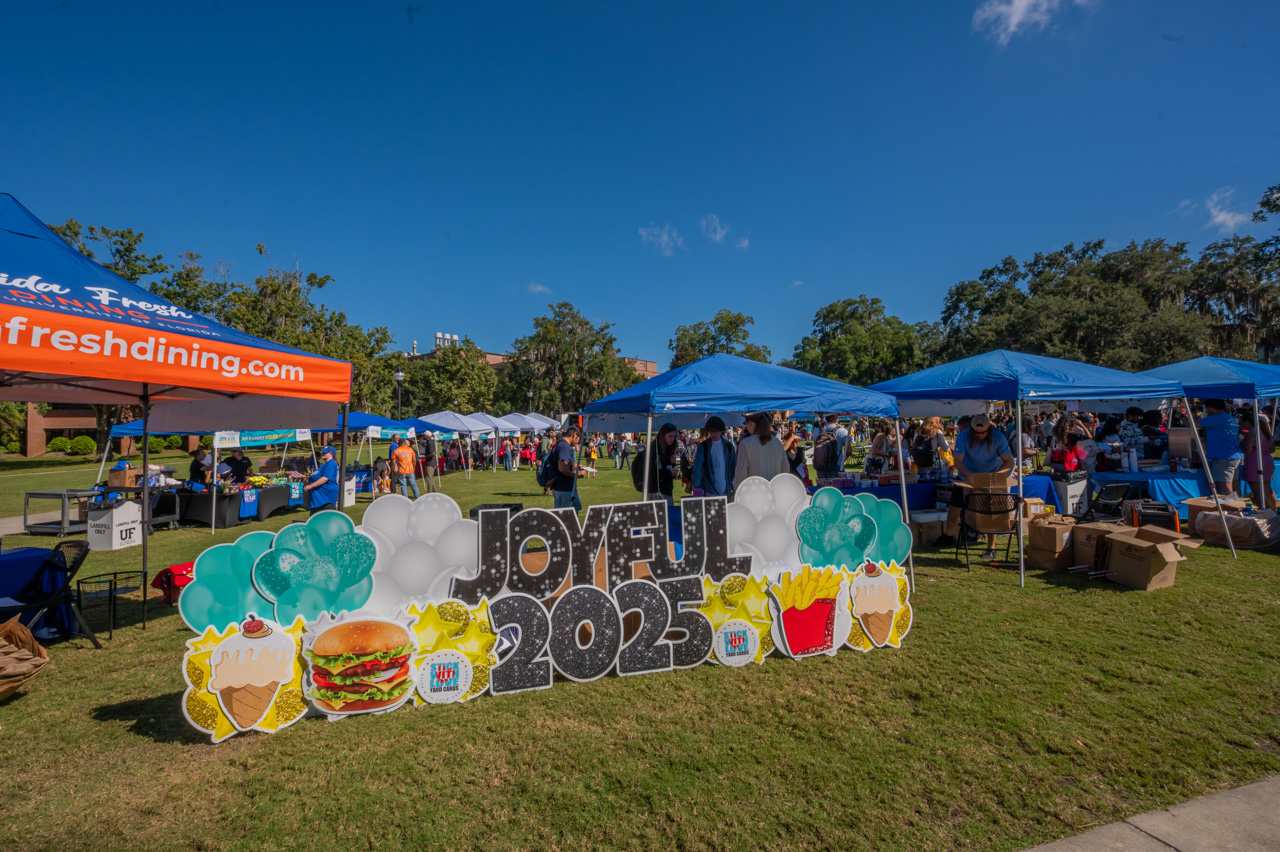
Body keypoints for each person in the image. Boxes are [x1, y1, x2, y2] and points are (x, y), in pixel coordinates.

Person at [935, 414, 1014, 561]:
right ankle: (948, 535)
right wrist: (969, 475)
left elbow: (1008, 461)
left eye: (983, 432)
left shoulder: (998, 437)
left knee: (992, 512)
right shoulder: (964, 436)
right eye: (977, 433)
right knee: (954, 505)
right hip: (966, 476)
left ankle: (992, 547)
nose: (980, 435)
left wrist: (997, 475)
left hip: (989, 477)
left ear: (989, 430)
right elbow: (957, 461)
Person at [1197, 399, 1244, 495]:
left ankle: (1230, 509)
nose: (1206, 411)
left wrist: (1181, 416)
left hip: (1224, 456)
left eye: (1206, 408)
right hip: (1234, 455)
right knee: (1235, 485)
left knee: (1224, 486)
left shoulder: (1216, 418)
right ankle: (1239, 508)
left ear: (1212, 408)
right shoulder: (1230, 418)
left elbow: (1192, 424)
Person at [735, 412, 788, 483]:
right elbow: (786, 468)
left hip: (754, 490)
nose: (745, 426)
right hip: (774, 489)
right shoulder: (777, 442)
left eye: (745, 423)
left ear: (750, 423)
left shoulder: (745, 443)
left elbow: (740, 475)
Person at [691, 416, 737, 497]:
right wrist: (696, 485)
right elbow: (697, 467)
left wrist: (734, 485)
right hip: (709, 490)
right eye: (710, 431)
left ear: (721, 431)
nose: (713, 434)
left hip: (726, 490)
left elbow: (733, 467)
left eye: (715, 431)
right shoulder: (703, 446)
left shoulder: (729, 447)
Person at [1242, 413, 1276, 509]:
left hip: (1254, 461)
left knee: (1257, 490)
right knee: (1268, 489)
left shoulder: (1253, 432)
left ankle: (1262, 511)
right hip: (1267, 460)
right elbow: (1272, 449)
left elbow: (1247, 451)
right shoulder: (1267, 433)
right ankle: (1273, 511)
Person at [641, 423, 680, 503]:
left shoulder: (668, 449)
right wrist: (670, 473)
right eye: (670, 436)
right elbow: (653, 472)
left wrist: (673, 464)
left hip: (667, 489)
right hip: (656, 490)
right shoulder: (654, 449)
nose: (672, 439)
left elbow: (666, 468)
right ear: (663, 435)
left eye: (674, 436)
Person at [550, 425, 582, 512]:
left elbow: (562, 464)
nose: (578, 443)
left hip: (561, 488)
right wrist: (576, 475)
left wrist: (575, 466)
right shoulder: (564, 446)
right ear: (574, 435)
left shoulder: (560, 444)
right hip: (564, 488)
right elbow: (562, 468)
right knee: (568, 517)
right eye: (579, 439)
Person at [304, 445, 340, 513]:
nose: (322, 453)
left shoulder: (331, 463)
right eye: (322, 451)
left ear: (331, 454)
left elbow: (325, 478)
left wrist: (310, 486)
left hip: (325, 499)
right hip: (318, 499)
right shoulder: (325, 465)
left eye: (325, 452)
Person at [812, 414, 842, 479]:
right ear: (837, 417)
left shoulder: (817, 430)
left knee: (822, 487)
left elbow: (815, 442)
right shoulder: (842, 431)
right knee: (836, 488)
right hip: (836, 464)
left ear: (825, 417)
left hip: (820, 463)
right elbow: (848, 451)